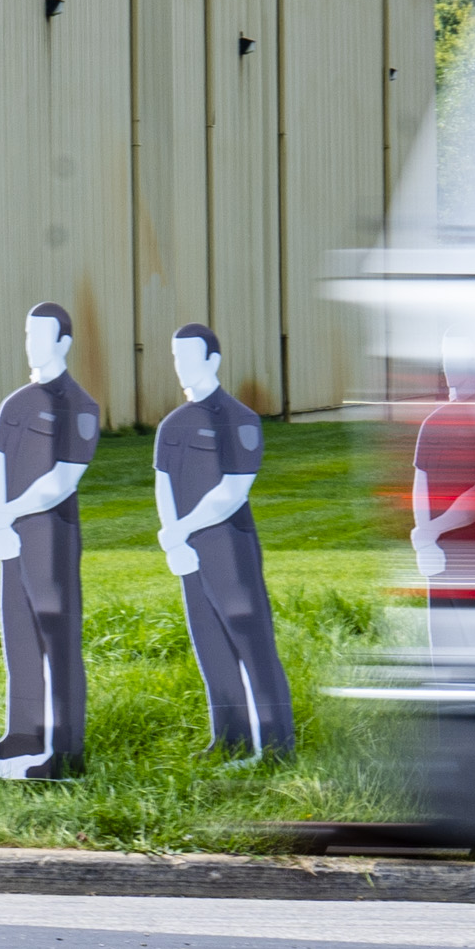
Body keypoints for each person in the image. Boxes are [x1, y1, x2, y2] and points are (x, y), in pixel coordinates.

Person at [155, 322, 294, 759]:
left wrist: (183, 528)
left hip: (229, 549)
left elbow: (232, 491)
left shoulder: (240, 419)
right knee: (210, 644)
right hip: (189, 551)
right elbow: (164, 484)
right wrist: (172, 540)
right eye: (176, 357)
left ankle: (275, 747)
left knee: (252, 643)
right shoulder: (171, 426)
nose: (181, 366)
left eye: (190, 357)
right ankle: (229, 740)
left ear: (213, 360)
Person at [0, 301, 100, 779]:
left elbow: (62, 481)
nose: (30, 344)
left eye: (39, 335)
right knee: (19, 636)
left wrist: (6, 514)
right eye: (26, 334)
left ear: (63, 343)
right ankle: (24, 734)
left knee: (58, 639)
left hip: (51, 536)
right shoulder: (15, 404)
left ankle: (65, 750)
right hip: (13, 534)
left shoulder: (81, 406)